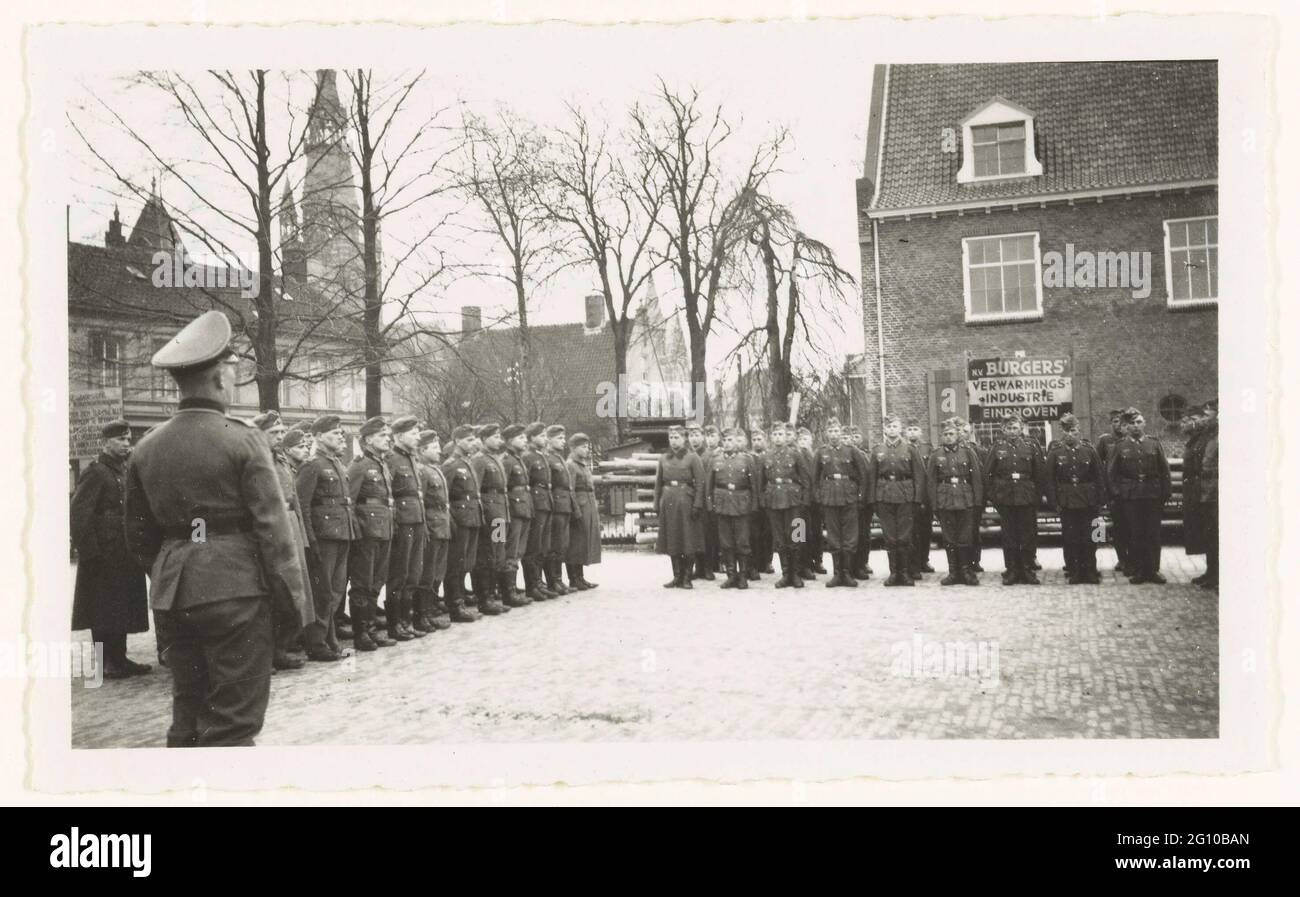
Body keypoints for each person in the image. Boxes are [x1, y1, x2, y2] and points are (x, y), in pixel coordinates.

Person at [123, 310, 306, 747]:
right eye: (232, 368)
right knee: (234, 721)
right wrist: (291, 604)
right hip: (236, 593)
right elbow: (274, 533)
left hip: (174, 595)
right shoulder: (243, 440)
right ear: (220, 379)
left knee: (187, 711)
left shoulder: (145, 447)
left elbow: (139, 537)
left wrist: (176, 566)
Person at [71, 418, 151, 679]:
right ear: (106, 443)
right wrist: (91, 553)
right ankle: (106, 663)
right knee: (103, 609)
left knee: (122, 606)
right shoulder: (96, 472)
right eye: (120, 440)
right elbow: (79, 515)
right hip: (103, 555)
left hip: (124, 552)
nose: (126, 444)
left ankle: (120, 658)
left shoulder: (124, 470)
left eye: (128, 439)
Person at [295, 415, 358, 661]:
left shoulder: (337, 464)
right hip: (323, 537)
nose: (340, 437)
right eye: (334, 434)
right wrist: (310, 540)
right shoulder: (313, 465)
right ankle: (316, 643)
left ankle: (329, 639)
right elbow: (303, 505)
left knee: (335, 591)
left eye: (341, 433)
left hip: (341, 534)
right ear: (319, 436)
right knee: (323, 593)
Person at [253, 410, 311, 670]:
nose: (279, 436)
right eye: (273, 432)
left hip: (290, 526)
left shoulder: (281, 460)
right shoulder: (254, 460)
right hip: (269, 529)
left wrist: (303, 535)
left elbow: (295, 498)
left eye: (280, 432)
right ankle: (267, 653)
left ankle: (282, 648)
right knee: (273, 593)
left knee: (292, 591)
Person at [345, 417, 398, 647]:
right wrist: (357, 532)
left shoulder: (381, 464)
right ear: (368, 439)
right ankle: (361, 634)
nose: (387, 439)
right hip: (366, 533)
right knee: (362, 583)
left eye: (387, 435)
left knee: (377, 582)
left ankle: (372, 629)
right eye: (382, 436)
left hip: (383, 529)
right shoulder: (360, 465)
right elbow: (350, 502)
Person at [1106, 407, 1171, 584]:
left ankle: (1153, 570)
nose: (1135, 426)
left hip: (1152, 494)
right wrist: (1118, 494)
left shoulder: (1154, 444)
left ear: (1144, 424)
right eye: (1132, 423)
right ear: (1127, 426)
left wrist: (1165, 493)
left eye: (1139, 422)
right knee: (1136, 533)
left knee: (1153, 534)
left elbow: (1164, 470)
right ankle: (1139, 570)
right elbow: (1111, 474)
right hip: (1131, 496)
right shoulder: (1120, 446)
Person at [983, 412, 1044, 585]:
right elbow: (987, 475)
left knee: (1027, 536)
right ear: (1003, 429)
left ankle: (1027, 570)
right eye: (1009, 428)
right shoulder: (997, 448)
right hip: (1006, 498)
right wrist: (996, 497)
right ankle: (1012, 570)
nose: (1012, 431)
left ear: (1021, 428)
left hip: (1026, 497)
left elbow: (1039, 474)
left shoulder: (1031, 447)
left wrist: (1035, 497)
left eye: (1015, 427)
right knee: (1009, 537)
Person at [1044, 413, 1105, 584]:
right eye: (1066, 431)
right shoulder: (1056, 452)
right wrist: (1054, 502)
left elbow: (1099, 475)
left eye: (1073, 431)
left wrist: (1100, 500)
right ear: (1061, 432)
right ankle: (1075, 571)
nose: (1070, 434)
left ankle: (1091, 570)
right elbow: (1049, 479)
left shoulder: (1089, 450)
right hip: (1067, 501)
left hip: (1088, 500)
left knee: (1091, 536)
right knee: (1071, 537)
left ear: (1079, 431)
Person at [413, 429, 465, 626]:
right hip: (439, 523)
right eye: (434, 447)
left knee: (441, 570)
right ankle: (428, 612)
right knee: (430, 571)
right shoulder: (443, 467)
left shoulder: (437, 468)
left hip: (459, 520)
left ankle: (491, 592)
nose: (439, 451)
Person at [868, 415, 926, 587]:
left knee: (904, 537)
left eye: (894, 426)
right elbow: (872, 477)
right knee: (890, 538)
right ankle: (894, 573)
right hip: (884, 496)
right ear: (884, 429)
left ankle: (905, 573)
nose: (891, 429)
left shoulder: (910, 449)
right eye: (888, 426)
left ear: (900, 429)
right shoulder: (877, 450)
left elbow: (919, 475)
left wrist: (917, 499)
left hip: (905, 496)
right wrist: (873, 500)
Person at [385, 415, 430, 638]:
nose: (418, 437)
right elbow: (388, 494)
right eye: (413, 433)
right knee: (399, 574)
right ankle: (395, 624)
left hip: (417, 520)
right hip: (402, 523)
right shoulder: (392, 459)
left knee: (413, 574)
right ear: (400, 436)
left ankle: (407, 620)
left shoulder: (411, 458)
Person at [813, 418, 870, 588]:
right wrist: (819, 496)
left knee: (850, 536)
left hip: (849, 497)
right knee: (834, 537)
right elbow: (815, 477)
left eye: (836, 431)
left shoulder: (852, 451)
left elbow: (863, 475)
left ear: (841, 432)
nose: (833, 435)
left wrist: (861, 496)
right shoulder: (821, 453)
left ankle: (847, 573)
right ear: (826, 433)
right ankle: (837, 574)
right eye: (830, 431)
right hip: (830, 498)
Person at [926, 418, 983, 586]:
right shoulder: (936, 455)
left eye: (951, 434)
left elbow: (976, 478)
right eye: (945, 434)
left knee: (965, 537)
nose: (948, 437)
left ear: (958, 435)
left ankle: (966, 571)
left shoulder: (968, 452)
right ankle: (953, 572)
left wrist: (977, 501)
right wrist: (935, 504)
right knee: (949, 538)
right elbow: (931, 481)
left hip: (965, 499)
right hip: (945, 500)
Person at [470, 424, 516, 614]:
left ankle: (494, 594)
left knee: (498, 553)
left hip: (499, 513)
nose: (500, 440)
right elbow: (476, 490)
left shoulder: (493, 458)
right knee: (487, 555)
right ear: (483, 439)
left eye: (499, 436)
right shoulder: (480, 460)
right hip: (490, 514)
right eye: (495, 437)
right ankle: (485, 598)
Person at [761, 421, 813, 588]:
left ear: (786, 436)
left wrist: (805, 501)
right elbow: (762, 481)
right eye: (775, 434)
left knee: (796, 537)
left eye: (781, 434)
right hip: (774, 501)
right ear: (771, 437)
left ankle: (796, 574)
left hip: (794, 501)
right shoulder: (766, 456)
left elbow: (806, 479)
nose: (778, 437)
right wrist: (764, 501)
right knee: (780, 539)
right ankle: (785, 574)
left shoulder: (796, 454)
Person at [707, 427, 759, 589]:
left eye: (731, 440)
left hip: (742, 504)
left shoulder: (747, 459)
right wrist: (710, 504)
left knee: (742, 542)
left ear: (737, 441)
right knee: (726, 542)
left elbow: (754, 486)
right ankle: (731, 575)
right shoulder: (715, 459)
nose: (728, 443)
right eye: (725, 440)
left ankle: (743, 576)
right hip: (722, 504)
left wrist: (754, 505)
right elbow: (709, 485)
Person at [654, 424, 705, 588]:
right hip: (668, 501)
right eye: (671, 437)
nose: (674, 440)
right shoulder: (663, 458)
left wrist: (697, 504)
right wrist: (656, 504)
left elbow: (701, 483)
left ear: (684, 439)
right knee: (672, 539)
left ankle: (687, 577)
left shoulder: (692, 457)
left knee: (687, 539)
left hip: (686, 501)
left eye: (677, 437)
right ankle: (676, 576)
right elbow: (658, 483)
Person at [443, 425, 486, 617]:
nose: (473, 443)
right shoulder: (452, 465)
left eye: (473, 439)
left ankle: (490, 593)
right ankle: (456, 604)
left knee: (477, 558)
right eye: (468, 440)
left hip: (485, 515)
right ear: (456, 442)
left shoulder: (471, 462)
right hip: (462, 518)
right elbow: (444, 496)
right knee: (458, 563)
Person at [501, 423, 539, 601]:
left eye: (525, 437)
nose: (525, 441)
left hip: (524, 509)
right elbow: (502, 488)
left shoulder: (518, 459)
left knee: (519, 551)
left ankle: (512, 588)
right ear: (509, 441)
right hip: (512, 511)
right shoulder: (507, 461)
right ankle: (507, 592)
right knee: (510, 550)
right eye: (520, 438)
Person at [521, 422, 557, 601]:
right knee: (533, 546)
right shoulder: (527, 457)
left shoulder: (540, 455)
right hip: (535, 503)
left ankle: (538, 582)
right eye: (540, 436)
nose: (544, 438)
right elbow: (524, 483)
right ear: (531, 438)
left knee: (543, 546)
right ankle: (532, 585)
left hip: (545, 501)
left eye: (544, 435)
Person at [1095, 409, 1130, 573]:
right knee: (1119, 527)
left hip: (1130, 489)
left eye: (1121, 422)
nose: (1118, 425)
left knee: (1133, 526)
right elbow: (1097, 465)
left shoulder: (1130, 440)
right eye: (1115, 421)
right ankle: (1122, 559)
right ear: (1111, 423)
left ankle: (1134, 559)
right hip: (1113, 490)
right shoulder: (1105, 440)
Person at [545, 425, 578, 597]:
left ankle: (558, 580)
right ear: (548, 440)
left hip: (564, 505)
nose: (563, 442)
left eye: (563, 438)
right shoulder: (548, 459)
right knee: (554, 545)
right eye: (559, 438)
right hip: (556, 506)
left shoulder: (559, 458)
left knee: (562, 545)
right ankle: (553, 581)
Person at [565, 433, 601, 589]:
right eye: (583, 447)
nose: (587, 450)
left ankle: (580, 577)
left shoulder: (583, 464)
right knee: (576, 543)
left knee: (584, 541)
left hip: (588, 503)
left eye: (587, 447)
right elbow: (570, 489)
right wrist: (575, 510)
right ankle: (574, 579)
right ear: (573, 448)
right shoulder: (571, 465)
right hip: (580, 505)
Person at [905, 420, 935, 578]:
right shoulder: (904, 449)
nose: (912, 432)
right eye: (909, 429)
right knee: (912, 531)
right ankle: (914, 564)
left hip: (926, 496)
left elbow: (930, 473)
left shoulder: (928, 448)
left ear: (921, 432)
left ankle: (924, 560)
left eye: (915, 429)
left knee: (925, 530)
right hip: (910, 495)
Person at [796, 426, 824, 579]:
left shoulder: (816, 457)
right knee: (799, 534)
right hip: (800, 502)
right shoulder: (795, 457)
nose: (802, 442)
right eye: (800, 439)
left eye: (805, 439)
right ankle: (802, 565)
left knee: (816, 533)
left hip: (815, 501)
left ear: (811, 441)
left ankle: (817, 561)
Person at [846, 424, 874, 580]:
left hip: (860, 501)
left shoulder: (864, 455)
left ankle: (861, 563)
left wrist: (865, 498)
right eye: (850, 437)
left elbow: (866, 477)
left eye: (856, 437)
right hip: (844, 499)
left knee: (863, 534)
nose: (853, 440)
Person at [1197, 401, 1219, 590]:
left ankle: (1218, 576)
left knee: (1217, 536)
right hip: (1208, 494)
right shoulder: (1209, 437)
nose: (1204, 419)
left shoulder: (1222, 438)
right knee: (1210, 536)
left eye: (1207, 416)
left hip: (1217, 495)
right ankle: (1212, 573)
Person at [748, 428, 774, 577]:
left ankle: (768, 561)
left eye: (759, 439)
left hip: (768, 499)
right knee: (754, 533)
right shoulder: (749, 457)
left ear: (765, 440)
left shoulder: (769, 456)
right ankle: (756, 562)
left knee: (768, 532)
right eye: (754, 440)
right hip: (752, 500)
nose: (757, 443)